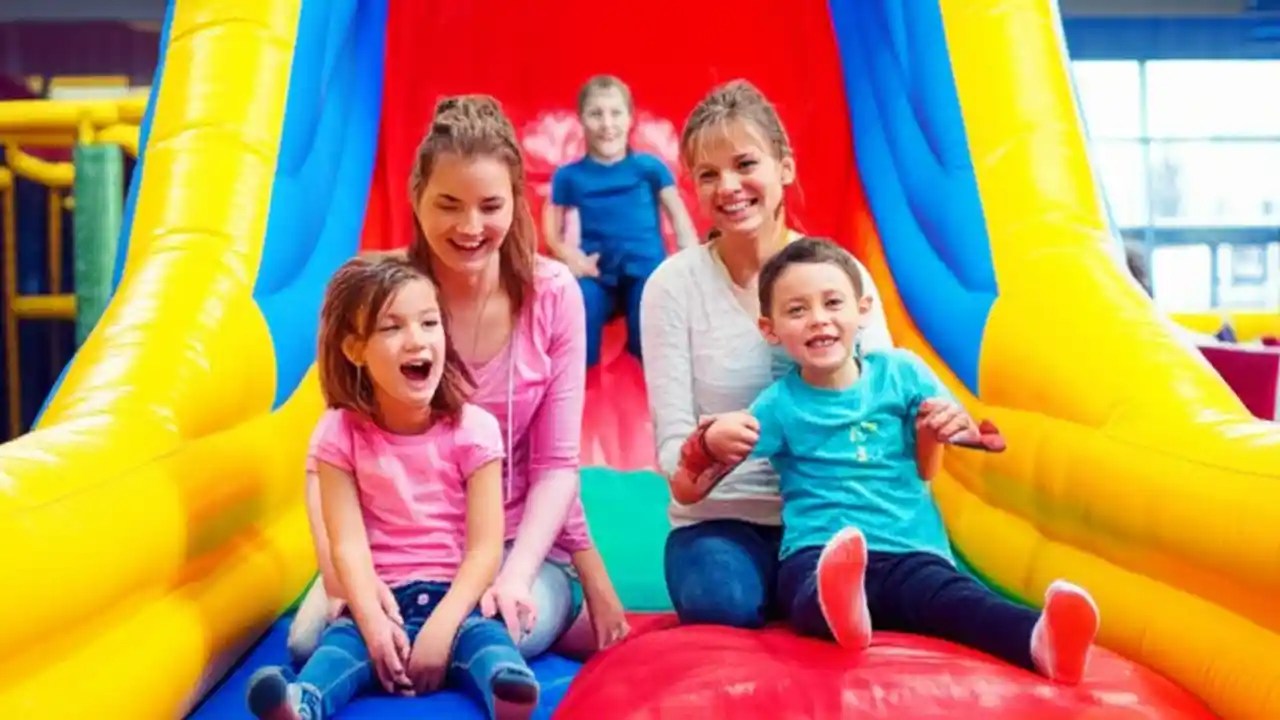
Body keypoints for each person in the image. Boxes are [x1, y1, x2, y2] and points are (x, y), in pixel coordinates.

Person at [289, 95, 628, 670]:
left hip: (507, 547)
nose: (471, 228)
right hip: (395, 554)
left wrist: (522, 576)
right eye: (449, 205)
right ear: (417, 196)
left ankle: (523, 610)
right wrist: (345, 579)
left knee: (487, 637)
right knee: (306, 644)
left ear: (517, 203)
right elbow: (331, 454)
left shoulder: (552, 296)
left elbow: (555, 466)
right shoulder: (384, 298)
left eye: (490, 206)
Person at [678, 238, 1101, 685]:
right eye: (797, 310)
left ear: (862, 310)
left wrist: (953, 426)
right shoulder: (778, 404)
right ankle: (842, 608)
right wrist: (708, 443)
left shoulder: (901, 373)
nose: (818, 318)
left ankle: (1040, 638)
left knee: (957, 600)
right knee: (806, 590)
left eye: (832, 302)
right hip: (819, 548)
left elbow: (949, 449)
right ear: (770, 329)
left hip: (909, 548)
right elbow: (689, 487)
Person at [639, 79, 893, 629]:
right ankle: (795, 592)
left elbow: (883, 398)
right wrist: (704, 449)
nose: (728, 186)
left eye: (744, 164)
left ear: (785, 168)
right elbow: (669, 445)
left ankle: (817, 589)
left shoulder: (835, 277)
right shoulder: (672, 286)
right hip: (722, 523)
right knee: (720, 600)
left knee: (873, 592)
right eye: (708, 175)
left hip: (832, 511)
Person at [246, 254, 540, 719]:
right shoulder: (338, 433)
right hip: (380, 597)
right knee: (335, 655)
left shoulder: (474, 429)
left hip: (456, 598)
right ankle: (300, 705)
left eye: (428, 323)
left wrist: (444, 626)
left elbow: (485, 549)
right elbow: (347, 545)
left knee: (490, 645)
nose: (417, 340)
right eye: (392, 328)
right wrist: (372, 620)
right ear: (354, 349)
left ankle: (508, 694)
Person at [544, 74, 699, 367]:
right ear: (581, 119)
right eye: (595, 114)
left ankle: (638, 342)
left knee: (651, 343)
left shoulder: (649, 168)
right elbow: (551, 228)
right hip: (597, 274)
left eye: (616, 113)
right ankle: (583, 376)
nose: (607, 124)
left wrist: (692, 264)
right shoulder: (569, 176)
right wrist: (568, 255)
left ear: (630, 119)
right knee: (579, 324)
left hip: (645, 273)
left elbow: (679, 217)